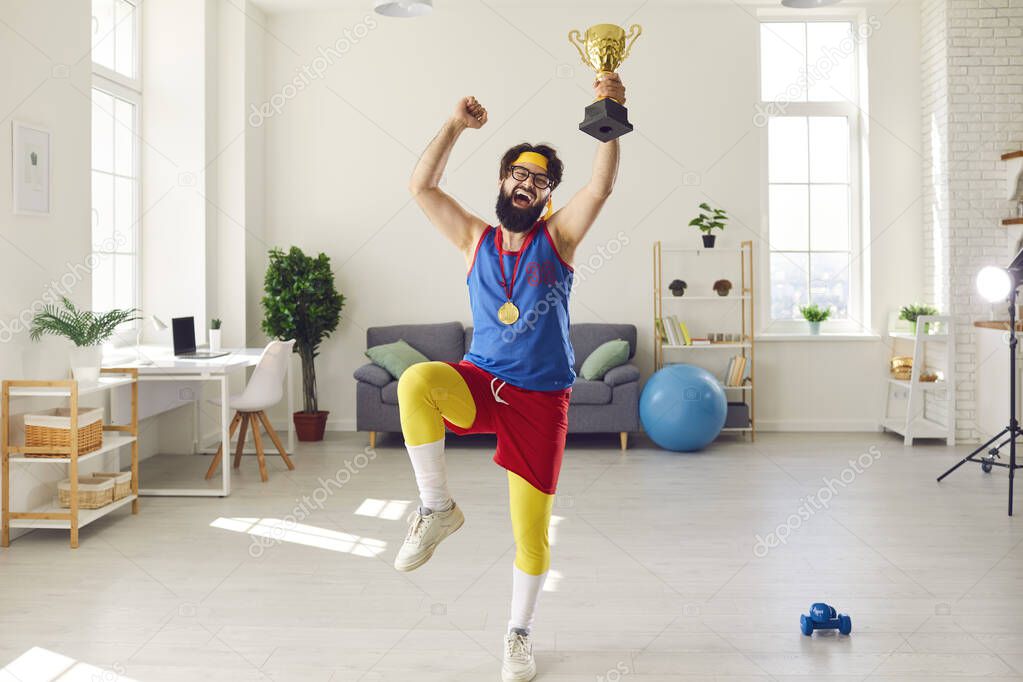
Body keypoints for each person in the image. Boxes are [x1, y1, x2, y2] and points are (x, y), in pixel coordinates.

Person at [397, 74, 626, 682]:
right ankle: (436, 507)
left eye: (539, 180)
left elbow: (601, 184)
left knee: (531, 533)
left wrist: (610, 112)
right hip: (480, 381)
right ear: (503, 180)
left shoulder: (559, 239)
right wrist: (454, 125)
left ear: (547, 195)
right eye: (518, 174)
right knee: (416, 381)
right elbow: (421, 185)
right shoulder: (474, 239)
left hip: (540, 401)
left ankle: (518, 634)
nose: (526, 184)